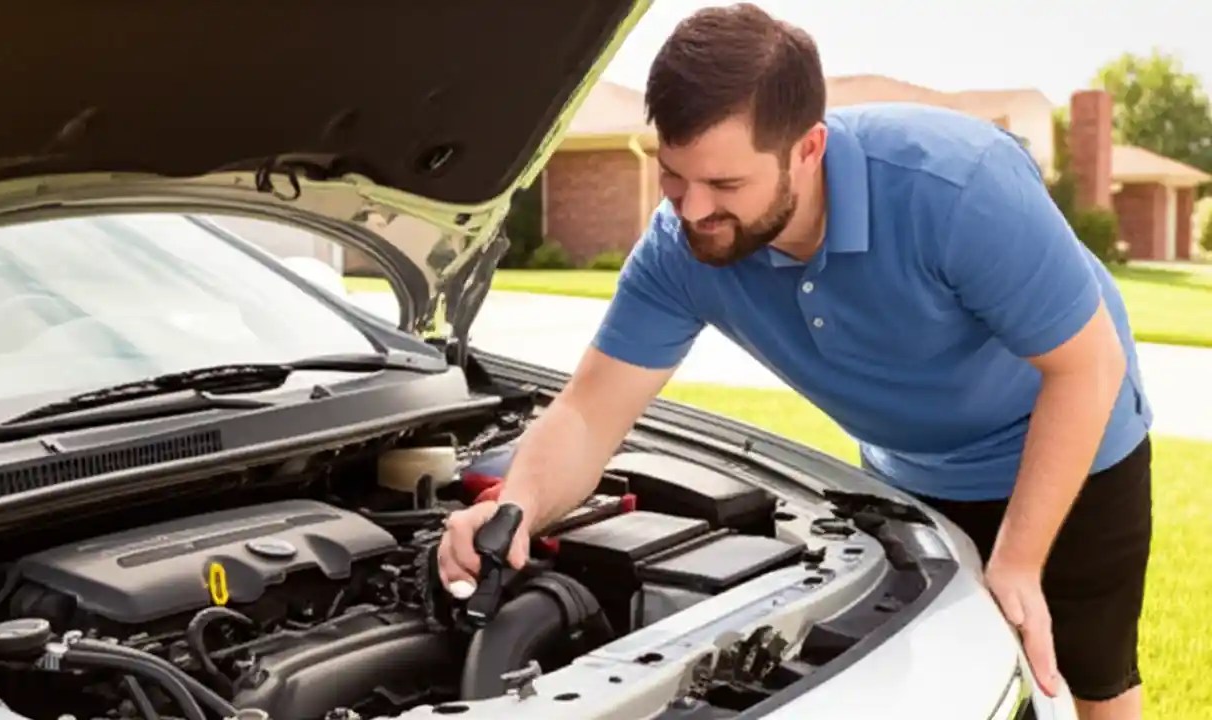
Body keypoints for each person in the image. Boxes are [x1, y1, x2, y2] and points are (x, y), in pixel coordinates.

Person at [436, 4, 1153, 718]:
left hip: (1071, 447)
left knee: (1088, 676)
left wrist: (1021, 561)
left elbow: (1088, 366)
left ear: (809, 150)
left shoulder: (957, 188)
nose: (692, 211)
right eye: (674, 176)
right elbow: (591, 414)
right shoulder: (679, 251)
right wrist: (517, 510)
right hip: (909, 473)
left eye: (725, 186)